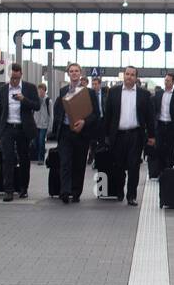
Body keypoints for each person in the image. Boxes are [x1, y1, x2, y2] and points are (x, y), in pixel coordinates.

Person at [105, 65, 156, 205]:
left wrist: (152, 136)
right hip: (118, 135)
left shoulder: (144, 94)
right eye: (127, 74)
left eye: (132, 74)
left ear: (136, 78)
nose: (129, 76)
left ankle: (131, 195)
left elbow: (150, 117)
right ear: (124, 76)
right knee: (118, 166)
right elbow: (108, 115)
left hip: (135, 135)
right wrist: (106, 136)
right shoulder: (114, 92)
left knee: (134, 166)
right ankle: (119, 192)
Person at [50, 62, 101, 204]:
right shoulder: (63, 91)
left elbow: (95, 114)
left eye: (76, 71)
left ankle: (76, 192)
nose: (74, 73)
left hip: (82, 133)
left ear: (80, 73)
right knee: (65, 162)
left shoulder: (88, 92)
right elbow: (58, 109)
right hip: (66, 131)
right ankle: (65, 191)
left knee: (79, 163)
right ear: (68, 74)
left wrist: (84, 122)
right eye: (71, 71)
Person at [0, 62, 40, 201]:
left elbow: (37, 106)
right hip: (8, 128)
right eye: (12, 78)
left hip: (23, 128)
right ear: (10, 75)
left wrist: (24, 99)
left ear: (21, 74)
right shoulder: (3, 90)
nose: (14, 80)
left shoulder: (29, 88)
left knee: (24, 158)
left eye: (16, 78)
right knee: (7, 159)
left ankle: (23, 188)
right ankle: (8, 190)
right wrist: (0, 132)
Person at [153, 73, 174, 171]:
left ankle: (170, 171)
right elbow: (154, 110)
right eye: (165, 80)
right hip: (160, 125)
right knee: (159, 149)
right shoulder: (158, 94)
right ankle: (160, 172)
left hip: (172, 126)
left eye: (168, 80)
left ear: (173, 82)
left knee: (171, 150)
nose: (166, 82)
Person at [34, 82, 52, 163]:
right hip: (36, 124)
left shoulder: (48, 101)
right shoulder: (35, 100)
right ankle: (38, 155)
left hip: (44, 125)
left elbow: (51, 114)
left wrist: (50, 127)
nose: (40, 92)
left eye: (42, 90)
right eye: (39, 90)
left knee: (41, 141)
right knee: (36, 141)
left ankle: (41, 158)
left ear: (45, 91)